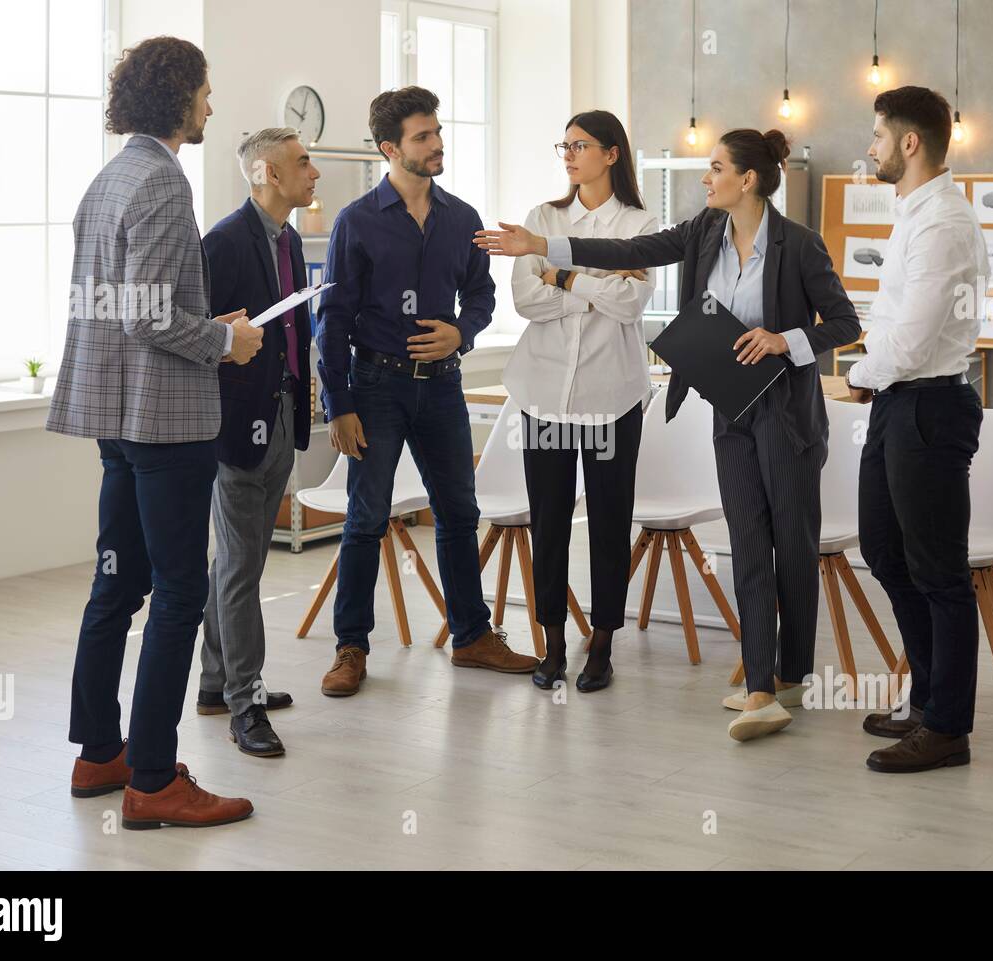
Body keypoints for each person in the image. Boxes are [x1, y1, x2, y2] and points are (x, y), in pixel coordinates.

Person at [476, 127, 861, 741]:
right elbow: (635, 250)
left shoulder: (800, 246)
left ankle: (790, 674)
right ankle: (761, 684)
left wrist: (783, 340)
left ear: (748, 181)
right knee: (748, 542)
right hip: (729, 409)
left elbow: (845, 323)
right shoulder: (703, 232)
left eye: (715, 169)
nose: (705, 179)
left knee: (792, 544)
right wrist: (540, 244)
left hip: (787, 413)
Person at [48, 37, 261, 828]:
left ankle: (99, 751)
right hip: (166, 423)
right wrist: (224, 342)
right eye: (205, 91)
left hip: (118, 421)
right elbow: (146, 314)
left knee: (116, 583)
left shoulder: (109, 179)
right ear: (178, 95)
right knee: (179, 592)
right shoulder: (165, 182)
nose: (211, 103)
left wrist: (208, 325)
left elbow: (123, 308)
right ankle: (151, 778)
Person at [316, 85, 540, 697]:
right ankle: (351, 649)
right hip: (376, 386)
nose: (437, 143)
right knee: (365, 520)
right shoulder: (355, 223)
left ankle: (471, 637)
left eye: (437, 132)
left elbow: (483, 296)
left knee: (458, 514)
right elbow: (331, 321)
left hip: (443, 387)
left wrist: (460, 334)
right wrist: (340, 405)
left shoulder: (462, 219)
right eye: (422, 136)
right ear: (390, 148)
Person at [845, 86, 988, 774]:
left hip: (929, 405)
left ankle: (948, 727)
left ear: (909, 143)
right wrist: (872, 371)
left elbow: (913, 335)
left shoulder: (943, 224)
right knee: (882, 547)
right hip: (897, 402)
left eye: (876, 136)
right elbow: (894, 325)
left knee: (940, 573)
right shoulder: (912, 213)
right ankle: (928, 695)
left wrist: (862, 372)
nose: (869, 148)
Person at [504, 110, 658, 694]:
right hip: (543, 395)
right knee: (548, 523)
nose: (568, 155)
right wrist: (594, 287)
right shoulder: (542, 218)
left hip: (611, 397)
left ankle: (603, 645)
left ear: (611, 153)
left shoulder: (639, 222)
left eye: (580, 145)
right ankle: (553, 643)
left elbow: (631, 305)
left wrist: (564, 278)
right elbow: (524, 298)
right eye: (563, 145)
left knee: (610, 522)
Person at [196, 128, 320, 757]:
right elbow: (198, 339)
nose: (315, 173)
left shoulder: (291, 239)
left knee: (237, 561)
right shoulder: (221, 241)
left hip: (283, 415)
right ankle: (245, 702)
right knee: (243, 564)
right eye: (304, 163)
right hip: (237, 425)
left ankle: (217, 683)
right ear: (268, 173)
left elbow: (294, 327)